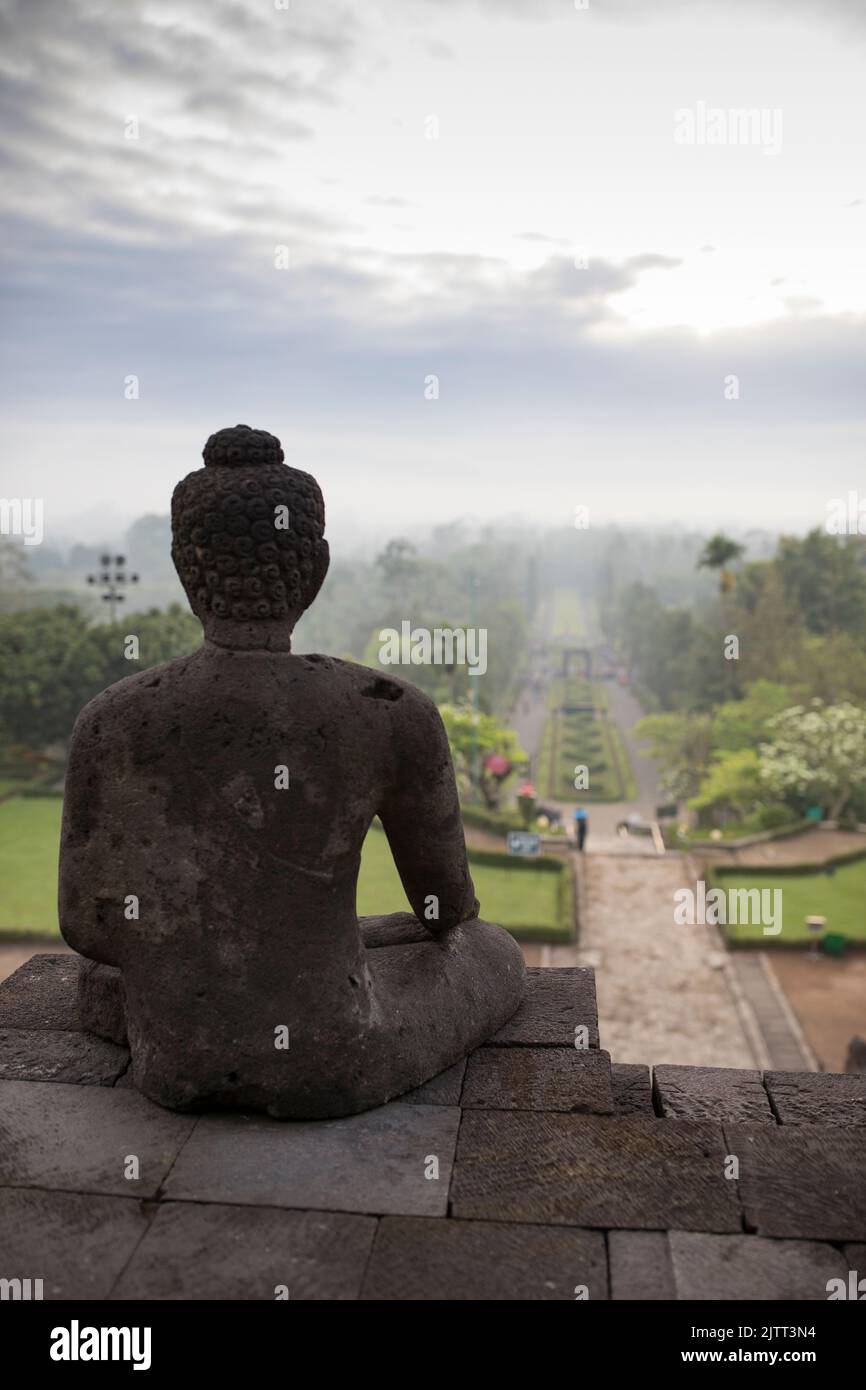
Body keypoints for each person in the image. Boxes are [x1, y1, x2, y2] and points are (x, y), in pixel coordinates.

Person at [59, 424, 525, 1119]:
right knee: (493, 951)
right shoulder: (390, 711)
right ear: (316, 568)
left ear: (188, 568)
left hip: (175, 1057)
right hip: (336, 1052)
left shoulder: (113, 719)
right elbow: (444, 912)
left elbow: (89, 928)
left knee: (103, 980)